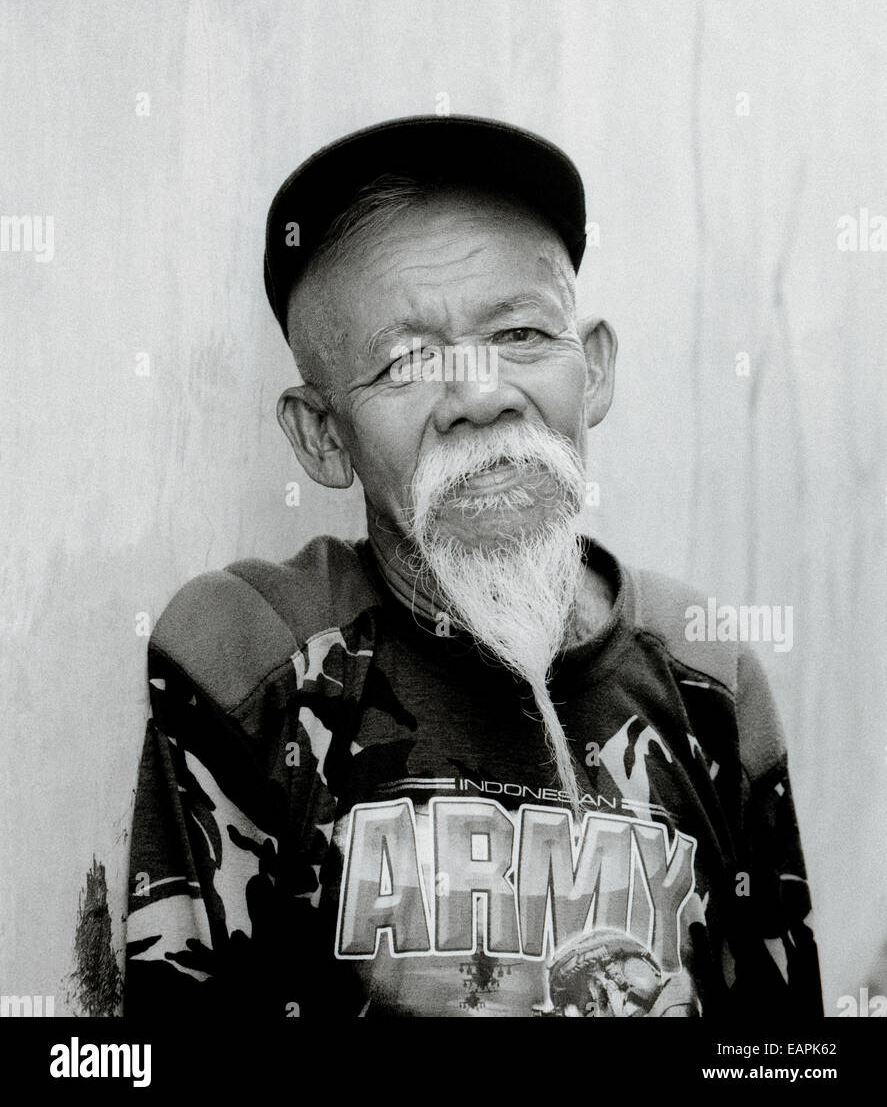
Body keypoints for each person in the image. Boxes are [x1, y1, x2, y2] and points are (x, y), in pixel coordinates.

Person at [124, 114, 822, 1018]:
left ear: (595, 369)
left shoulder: (706, 676)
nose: (482, 396)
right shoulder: (252, 661)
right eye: (408, 360)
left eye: (523, 335)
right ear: (323, 434)